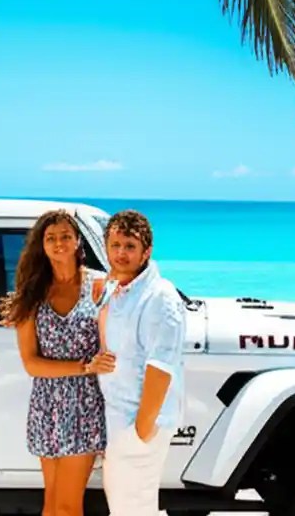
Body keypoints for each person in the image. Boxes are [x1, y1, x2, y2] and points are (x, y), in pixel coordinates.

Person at [0, 209, 116, 516]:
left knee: (66, 506)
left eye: (65, 236)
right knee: (51, 505)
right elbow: (31, 363)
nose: (59, 243)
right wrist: (84, 367)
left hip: (85, 405)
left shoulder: (99, 285)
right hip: (46, 406)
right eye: (51, 238)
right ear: (42, 245)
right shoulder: (32, 293)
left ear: (78, 241)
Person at [95, 210, 187, 516]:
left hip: (138, 424)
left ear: (146, 251)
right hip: (119, 420)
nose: (121, 253)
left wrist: (140, 431)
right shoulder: (118, 289)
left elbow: (161, 366)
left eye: (130, 246)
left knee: (134, 510)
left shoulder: (159, 296)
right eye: (115, 245)